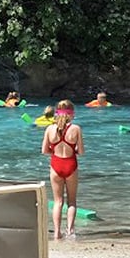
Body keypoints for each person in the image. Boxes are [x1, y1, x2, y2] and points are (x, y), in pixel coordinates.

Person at [41, 99, 84, 239]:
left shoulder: (50, 129)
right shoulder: (76, 129)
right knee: (72, 201)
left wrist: (56, 150)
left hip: (56, 165)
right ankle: (70, 231)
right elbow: (82, 151)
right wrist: (73, 150)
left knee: (58, 201)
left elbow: (44, 150)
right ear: (71, 114)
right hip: (71, 164)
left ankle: (57, 232)